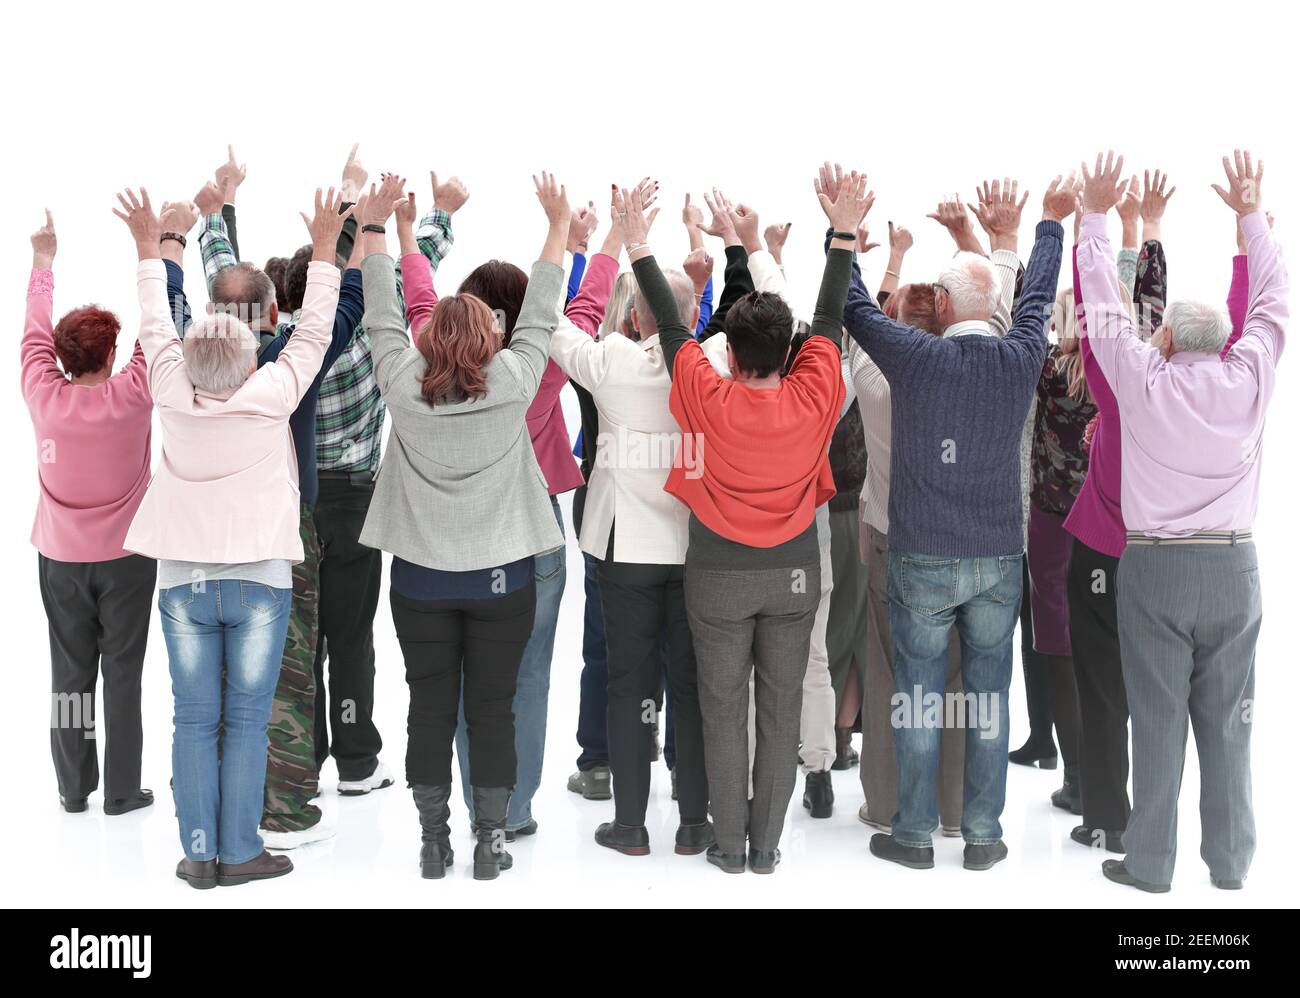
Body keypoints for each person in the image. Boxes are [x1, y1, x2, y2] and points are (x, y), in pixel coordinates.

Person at [630, 170, 869, 874]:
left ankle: (729, 846)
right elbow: (829, 316)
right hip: (793, 574)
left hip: (718, 576)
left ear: (729, 355)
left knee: (722, 709)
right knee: (782, 709)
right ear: (788, 352)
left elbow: (672, 326)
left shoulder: (707, 394)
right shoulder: (816, 388)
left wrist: (637, 242)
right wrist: (842, 234)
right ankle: (766, 849)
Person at [117, 184, 348, 889]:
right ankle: (241, 850)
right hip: (258, 584)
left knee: (193, 719)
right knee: (247, 719)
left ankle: (198, 854)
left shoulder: (169, 389)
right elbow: (314, 331)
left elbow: (156, 323)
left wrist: (153, 248)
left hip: (183, 584)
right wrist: (327, 248)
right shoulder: (272, 393)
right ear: (250, 361)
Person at [847, 171, 1072, 872]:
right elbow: (1035, 300)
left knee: (916, 699)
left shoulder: (915, 357)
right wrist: (1047, 225)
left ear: (940, 305)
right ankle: (982, 835)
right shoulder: (1020, 355)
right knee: (988, 701)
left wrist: (844, 236)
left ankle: (913, 835)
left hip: (921, 556)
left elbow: (853, 310)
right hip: (998, 559)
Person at [1075, 150, 1286, 893]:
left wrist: (1094, 217)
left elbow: (1103, 314)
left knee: (1157, 720)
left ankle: (1150, 864)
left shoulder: (1143, 381)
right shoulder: (1250, 375)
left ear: (1165, 339)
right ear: (1223, 342)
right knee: (1231, 725)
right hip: (1233, 568)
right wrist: (1251, 220)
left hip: (1155, 569)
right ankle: (1229, 864)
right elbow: (1273, 305)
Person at [358, 173, 569, 880]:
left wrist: (377, 228)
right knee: (493, 707)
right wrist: (558, 227)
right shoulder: (513, 382)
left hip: (420, 579)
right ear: (492, 337)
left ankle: (432, 840)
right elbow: (541, 310)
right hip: (502, 578)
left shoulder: (400, 383)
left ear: (427, 341)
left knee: (428, 706)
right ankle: (491, 839)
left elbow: (383, 313)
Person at [196, 148, 368, 847]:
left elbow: (220, 284)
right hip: (279, 532)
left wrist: (215, 215)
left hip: (203, 537)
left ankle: (214, 803)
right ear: (274, 310)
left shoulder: (187, 363)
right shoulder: (288, 363)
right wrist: (344, 228)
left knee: (214, 677)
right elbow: (346, 306)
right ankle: (285, 810)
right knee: (289, 673)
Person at [445, 190, 627, 841]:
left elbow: (415, 309)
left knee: (468, 676)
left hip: (463, 531)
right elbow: (580, 311)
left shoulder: (439, 372)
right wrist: (596, 243)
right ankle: (514, 809)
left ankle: (481, 810)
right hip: (536, 530)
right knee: (528, 672)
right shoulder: (541, 364)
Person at [547, 186, 714, 857]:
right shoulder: (715, 363)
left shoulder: (613, 361)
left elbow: (553, 323)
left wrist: (591, 240)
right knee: (692, 687)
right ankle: (695, 822)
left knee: (627, 684)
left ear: (635, 317)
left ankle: (631, 826)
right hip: (695, 549)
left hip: (626, 550)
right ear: (691, 315)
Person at [23, 210, 157, 817]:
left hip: (61, 561)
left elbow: (32, 334)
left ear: (61, 357)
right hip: (127, 559)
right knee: (123, 673)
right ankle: (122, 791)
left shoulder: (41, 392)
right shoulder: (134, 393)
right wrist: (156, 249)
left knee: (71, 674)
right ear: (111, 354)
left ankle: (74, 787)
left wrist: (43, 261)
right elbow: (158, 330)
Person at [1063, 171, 1172, 851]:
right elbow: (1144, 309)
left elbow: (1098, 311)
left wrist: (1094, 223)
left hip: (1102, 552)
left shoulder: (1114, 386)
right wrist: (1147, 228)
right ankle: (1156, 825)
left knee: (1102, 687)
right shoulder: (1195, 392)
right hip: (1164, 555)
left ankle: (1106, 818)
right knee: (1156, 692)